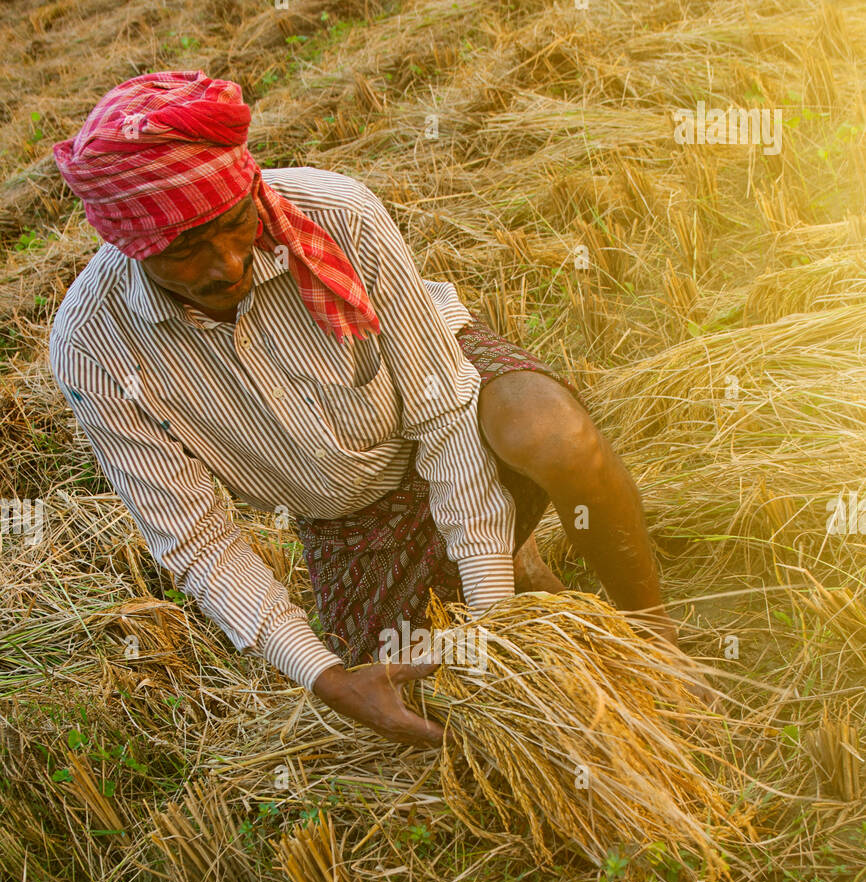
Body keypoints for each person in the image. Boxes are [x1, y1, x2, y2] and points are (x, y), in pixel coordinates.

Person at [50, 70, 675, 748]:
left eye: (234, 225)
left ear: (250, 190)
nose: (224, 265)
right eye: (183, 250)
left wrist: (495, 624)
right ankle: (514, 563)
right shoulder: (94, 348)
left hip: (452, 408)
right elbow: (199, 540)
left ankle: (656, 635)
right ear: (132, 246)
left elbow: (441, 414)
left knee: (548, 435)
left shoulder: (339, 215)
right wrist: (325, 677)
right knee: (419, 699)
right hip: (347, 510)